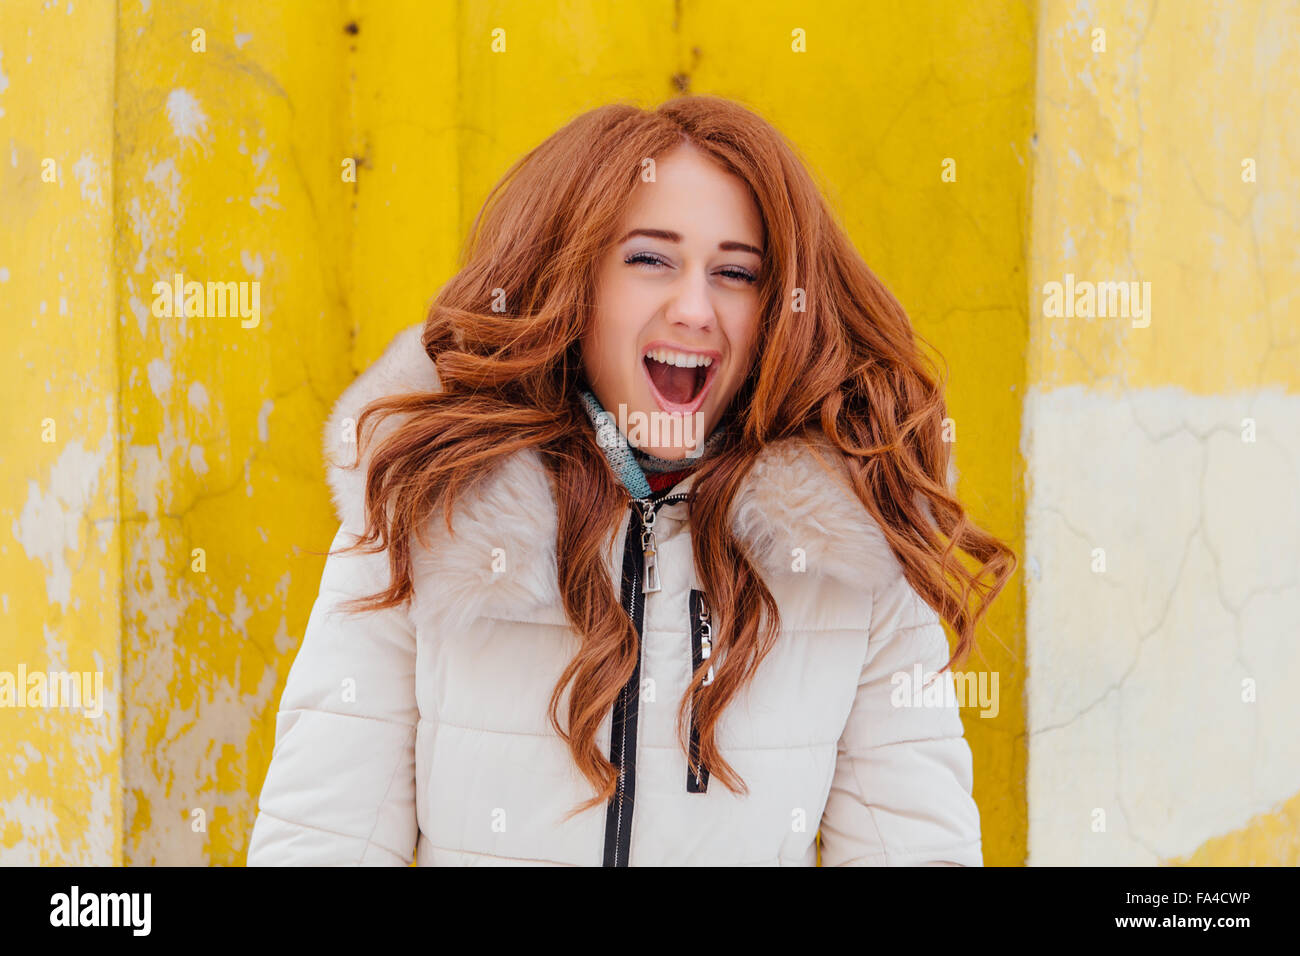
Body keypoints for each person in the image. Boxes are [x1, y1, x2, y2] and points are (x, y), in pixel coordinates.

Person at [246, 95, 1017, 866]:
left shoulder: (855, 536)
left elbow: (916, 848)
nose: (694, 308)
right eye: (650, 259)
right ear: (571, 282)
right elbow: (321, 843)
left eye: (736, 272)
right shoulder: (429, 505)